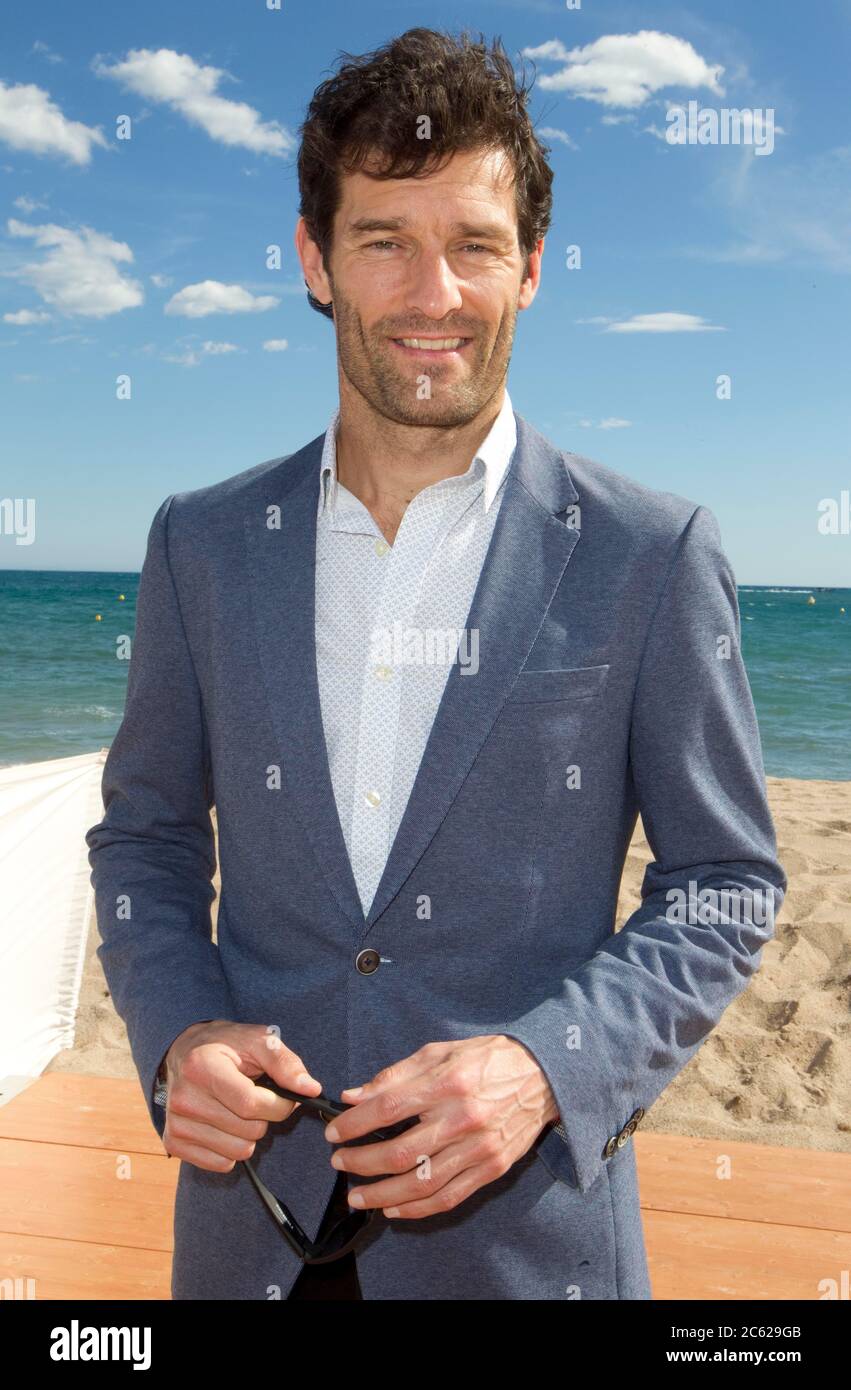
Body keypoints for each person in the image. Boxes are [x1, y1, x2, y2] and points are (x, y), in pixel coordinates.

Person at [86, 27, 786, 1301]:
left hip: (523, 1254)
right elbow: (143, 835)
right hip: (250, 1230)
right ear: (315, 262)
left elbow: (724, 879)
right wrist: (176, 1029)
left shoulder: (652, 552)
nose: (431, 294)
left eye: (472, 244)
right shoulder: (199, 543)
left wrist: (543, 1066)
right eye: (383, 241)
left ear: (528, 271)